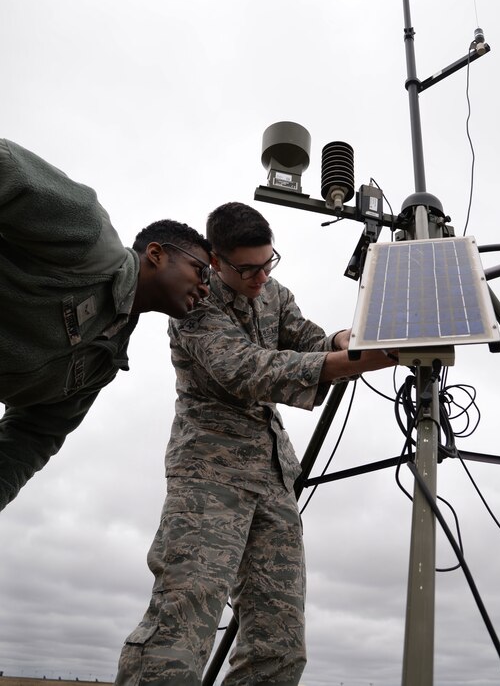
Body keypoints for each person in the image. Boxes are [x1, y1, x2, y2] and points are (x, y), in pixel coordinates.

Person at [115, 201, 397, 686]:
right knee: (182, 626)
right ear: (217, 262)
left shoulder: (275, 293)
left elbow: (308, 340)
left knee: (280, 643)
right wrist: (354, 362)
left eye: (268, 263)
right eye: (247, 268)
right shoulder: (193, 303)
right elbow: (247, 370)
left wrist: (353, 339)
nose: (260, 276)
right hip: (209, 478)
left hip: (272, 480)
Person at [0, 138, 210, 511]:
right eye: (201, 270)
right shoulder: (88, 235)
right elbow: (8, 165)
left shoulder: (102, 363)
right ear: (157, 254)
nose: (206, 288)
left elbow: (32, 435)